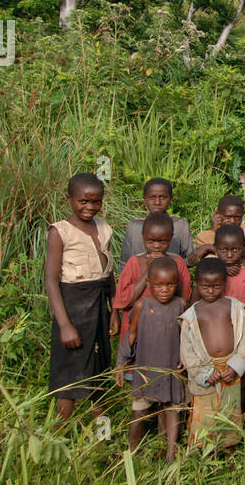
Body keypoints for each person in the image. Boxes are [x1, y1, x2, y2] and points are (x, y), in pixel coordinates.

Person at [45, 173, 115, 420]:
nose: (90, 207)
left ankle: (102, 435)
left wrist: (114, 310)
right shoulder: (60, 232)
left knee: (99, 369)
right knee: (70, 373)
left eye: (96, 202)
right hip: (74, 308)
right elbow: (52, 282)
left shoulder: (103, 226)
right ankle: (59, 435)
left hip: (100, 305)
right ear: (69, 200)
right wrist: (64, 325)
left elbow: (109, 273)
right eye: (83, 201)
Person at [114, 257, 186, 460]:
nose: (165, 290)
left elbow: (187, 335)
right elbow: (131, 335)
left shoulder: (180, 304)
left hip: (171, 368)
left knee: (172, 410)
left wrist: (186, 359)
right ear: (148, 284)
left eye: (170, 285)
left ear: (177, 284)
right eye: (159, 285)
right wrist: (121, 363)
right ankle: (132, 452)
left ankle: (171, 453)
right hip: (146, 370)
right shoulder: (141, 306)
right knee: (139, 412)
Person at [180, 258, 245, 451]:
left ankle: (229, 450)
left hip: (229, 368)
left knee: (230, 410)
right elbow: (187, 350)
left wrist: (236, 366)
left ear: (224, 284)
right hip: (205, 370)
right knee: (205, 413)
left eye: (216, 286)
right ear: (196, 284)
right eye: (205, 286)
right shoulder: (191, 315)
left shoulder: (235, 308)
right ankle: (204, 453)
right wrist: (203, 373)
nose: (210, 290)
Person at [111, 212, 193, 343]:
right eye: (151, 241)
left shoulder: (177, 262)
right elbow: (124, 299)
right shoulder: (134, 262)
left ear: (170, 238)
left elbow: (183, 298)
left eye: (162, 241)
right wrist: (149, 271)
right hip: (136, 329)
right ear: (143, 237)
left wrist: (166, 269)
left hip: (166, 328)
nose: (156, 246)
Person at [118, 178, 193, 272]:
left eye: (163, 197)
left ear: (171, 199)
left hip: (170, 281)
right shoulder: (134, 226)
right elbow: (124, 264)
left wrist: (167, 261)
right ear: (144, 199)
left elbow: (189, 260)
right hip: (138, 281)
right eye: (152, 197)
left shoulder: (180, 225)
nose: (157, 202)